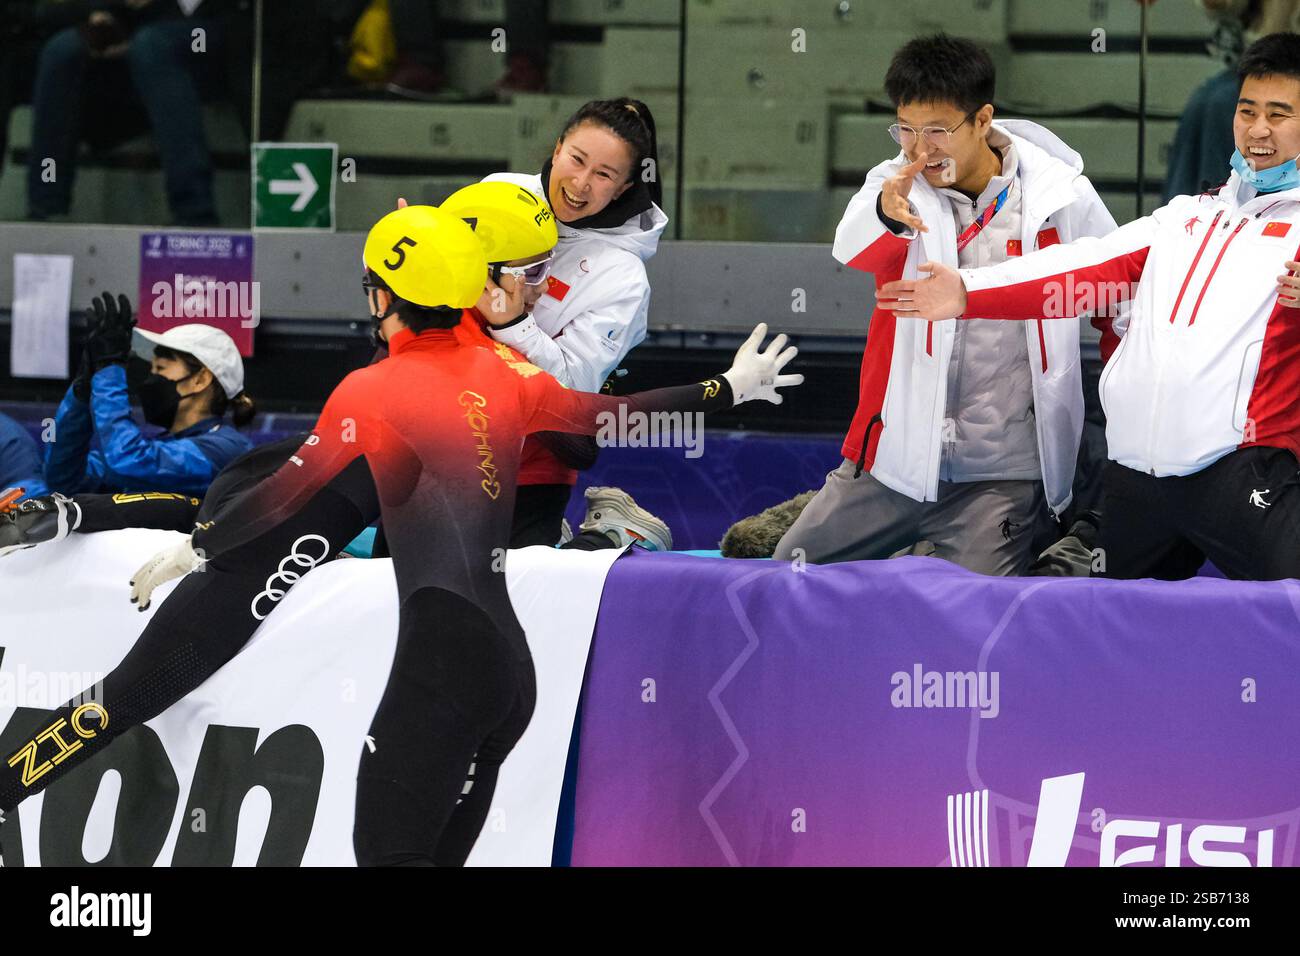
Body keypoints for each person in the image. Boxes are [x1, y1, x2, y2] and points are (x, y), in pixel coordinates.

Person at [0, 203, 800, 868]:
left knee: (125, 703)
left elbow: (283, 491)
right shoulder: (509, 376)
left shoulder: (373, 390)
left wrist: (198, 547)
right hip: (509, 674)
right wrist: (729, 385)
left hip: (437, 666)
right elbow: (609, 421)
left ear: (383, 296)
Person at [877, 32, 1300, 582]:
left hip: (1243, 474)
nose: (1258, 129)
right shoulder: (1184, 218)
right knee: (1096, 643)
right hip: (1136, 486)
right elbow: (1080, 265)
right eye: (1247, 111)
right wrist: (967, 291)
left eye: (1279, 113)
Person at [772, 34, 1119, 575]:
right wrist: (889, 214)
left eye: (937, 130)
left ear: (983, 120)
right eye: (906, 129)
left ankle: (954, 552)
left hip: (1000, 472)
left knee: (975, 618)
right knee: (790, 575)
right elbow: (851, 248)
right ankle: (907, 547)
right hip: (892, 463)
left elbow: (1116, 292)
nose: (920, 148)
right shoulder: (895, 185)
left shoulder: (1060, 195)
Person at [481, 97, 676, 551]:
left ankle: (611, 537)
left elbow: (573, 390)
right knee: (392, 577)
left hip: (534, 457)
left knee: (519, 590)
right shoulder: (494, 195)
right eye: (577, 159)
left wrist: (513, 324)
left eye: (604, 175)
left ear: (625, 187)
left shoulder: (622, 276)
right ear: (556, 147)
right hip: (442, 431)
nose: (580, 184)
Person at [26, 0, 236, 225]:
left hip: (203, 34)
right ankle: (46, 205)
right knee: (62, 50)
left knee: (153, 44)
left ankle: (194, 211)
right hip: (133, 30)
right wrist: (101, 12)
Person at [41, 293, 255, 499]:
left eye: (161, 368)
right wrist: (82, 392)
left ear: (200, 380)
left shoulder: (226, 450)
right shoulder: (163, 445)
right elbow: (63, 480)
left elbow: (128, 460)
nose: (151, 378)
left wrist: (108, 369)